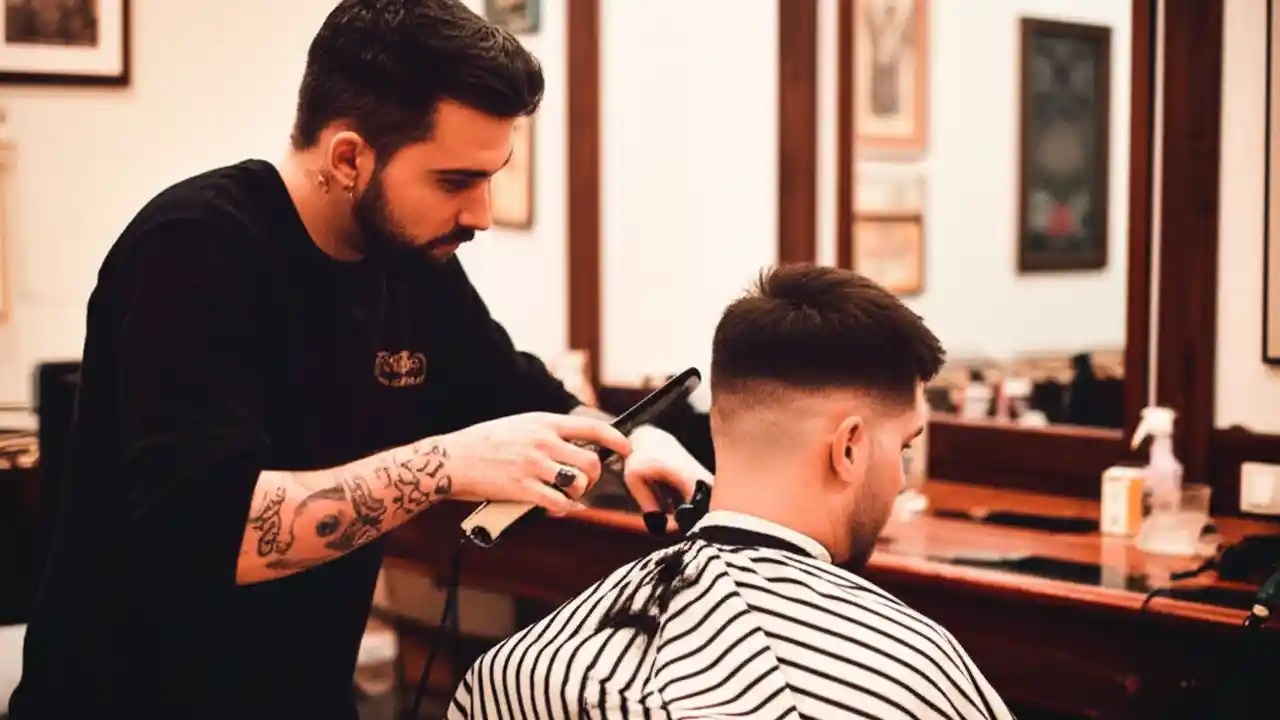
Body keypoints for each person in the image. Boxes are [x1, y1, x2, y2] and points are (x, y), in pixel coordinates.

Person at [8, 1, 707, 717]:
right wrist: (445, 465)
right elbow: (211, 534)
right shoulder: (191, 251)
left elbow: (520, 395)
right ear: (348, 157)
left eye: (491, 177)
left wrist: (634, 441)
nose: (483, 214)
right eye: (454, 181)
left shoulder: (409, 266)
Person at [447, 264, 1015, 720]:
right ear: (849, 448)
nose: (898, 478)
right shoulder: (910, 671)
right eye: (904, 448)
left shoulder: (511, 672)